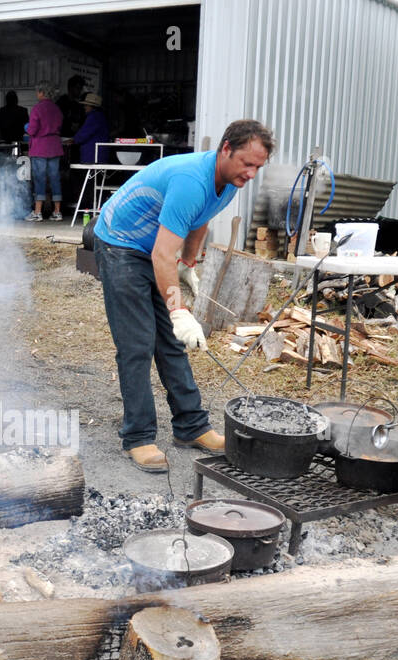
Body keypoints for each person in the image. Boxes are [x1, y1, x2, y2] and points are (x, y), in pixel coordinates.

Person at [93, 119, 274, 472]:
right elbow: (162, 255)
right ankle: (139, 437)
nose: (251, 173)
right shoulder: (191, 181)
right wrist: (178, 311)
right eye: (247, 163)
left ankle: (191, 427)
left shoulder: (229, 181)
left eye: (258, 167)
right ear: (226, 149)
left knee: (171, 343)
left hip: (152, 247)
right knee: (138, 344)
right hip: (120, 243)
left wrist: (188, 263)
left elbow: (200, 219)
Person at [24, 82, 64, 222]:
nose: (37, 94)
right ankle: (57, 212)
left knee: (40, 179)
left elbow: (32, 130)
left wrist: (27, 128)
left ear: (41, 92)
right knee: (55, 179)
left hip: (40, 147)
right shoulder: (57, 109)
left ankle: (37, 212)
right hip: (55, 146)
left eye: (37, 92)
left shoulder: (37, 108)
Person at [72, 92, 109, 165]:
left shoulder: (93, 117)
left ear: (92, 106)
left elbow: (84, 134)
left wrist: (73, 140)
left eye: (86, 105)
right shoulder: (100, 116)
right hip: (100, 154)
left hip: (92, 155)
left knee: (90, 175)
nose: (84, 107)